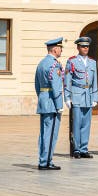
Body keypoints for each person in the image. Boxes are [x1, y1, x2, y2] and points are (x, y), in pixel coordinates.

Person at [64, 37, 98, 159]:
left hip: (88, 96)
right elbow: (67, 80)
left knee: (86, 124)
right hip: (77, 94)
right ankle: (76, 149)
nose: (85, 48)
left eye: (87, 46)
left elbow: (95, 81)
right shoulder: (72, 61)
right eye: (83, 46)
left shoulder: (92, 62)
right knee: (77, 124)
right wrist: (67, 97)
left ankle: (84, 149)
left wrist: (95, 97)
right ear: (78, 47)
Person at [35, 37, 65, 170]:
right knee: (51, 133)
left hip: (44, 100)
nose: (61, 50)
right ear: (54, 49)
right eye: (60, 48)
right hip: (52, 102)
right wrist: (59, 105)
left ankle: (43, 159)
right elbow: (56, 86)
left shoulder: (41, 63)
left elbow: (37, 85)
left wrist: (42, 97)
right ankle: (46, 162)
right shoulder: (54, 64)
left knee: (44, 132)